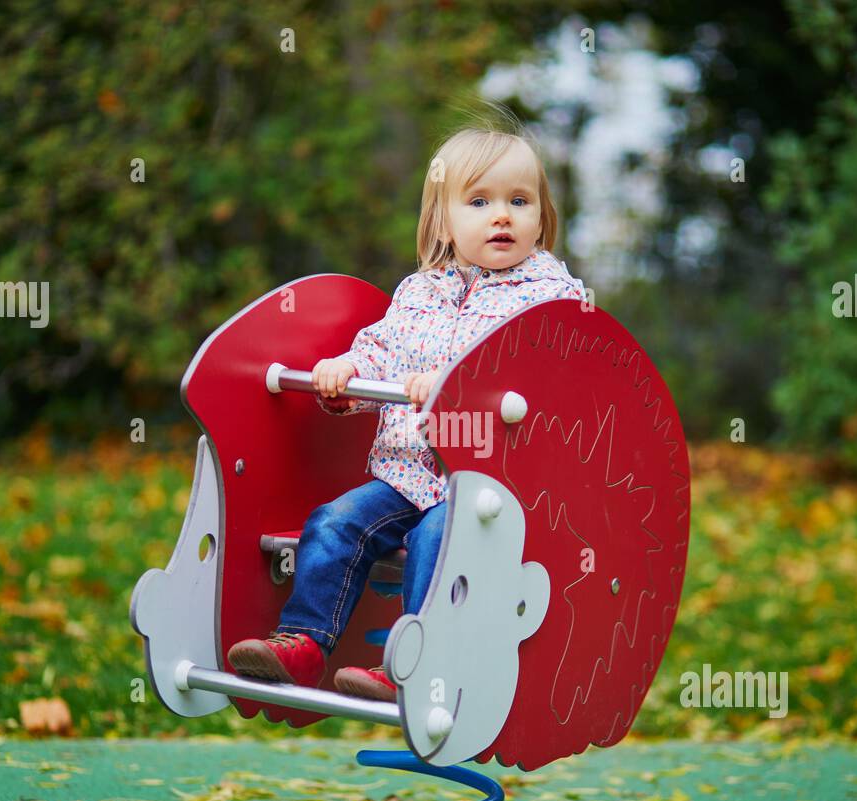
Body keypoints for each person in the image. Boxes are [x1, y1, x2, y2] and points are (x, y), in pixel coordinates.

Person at [226, 122, 587, 701]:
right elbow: (380, 349)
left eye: (519, 202)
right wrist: (343, 374)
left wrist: (456, 385)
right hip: (406, 471)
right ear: (443, 219)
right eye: (480, 202)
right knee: (335, 520)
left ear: (541, 217)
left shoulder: (551, 298)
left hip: (488, 486)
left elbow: (545, 384)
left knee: (439, 541)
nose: (502, 216)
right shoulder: (419, 292)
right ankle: (303, 643)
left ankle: (417, 663)